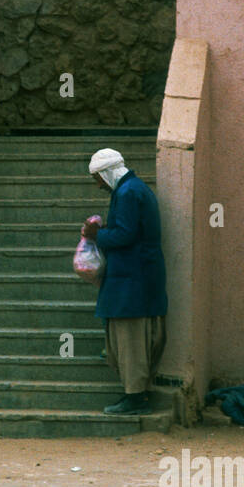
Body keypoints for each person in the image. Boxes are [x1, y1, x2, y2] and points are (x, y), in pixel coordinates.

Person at [81, 148, 168, 414]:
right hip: (136, 278)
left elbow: (125, 235)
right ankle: (135, 395)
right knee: (130, 340)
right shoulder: (131, 190)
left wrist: (98, 235)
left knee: (130, 341)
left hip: (133, 281)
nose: (98, 185)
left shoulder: (128, 193)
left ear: (107, 173)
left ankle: (135, 397)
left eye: (98, 178)